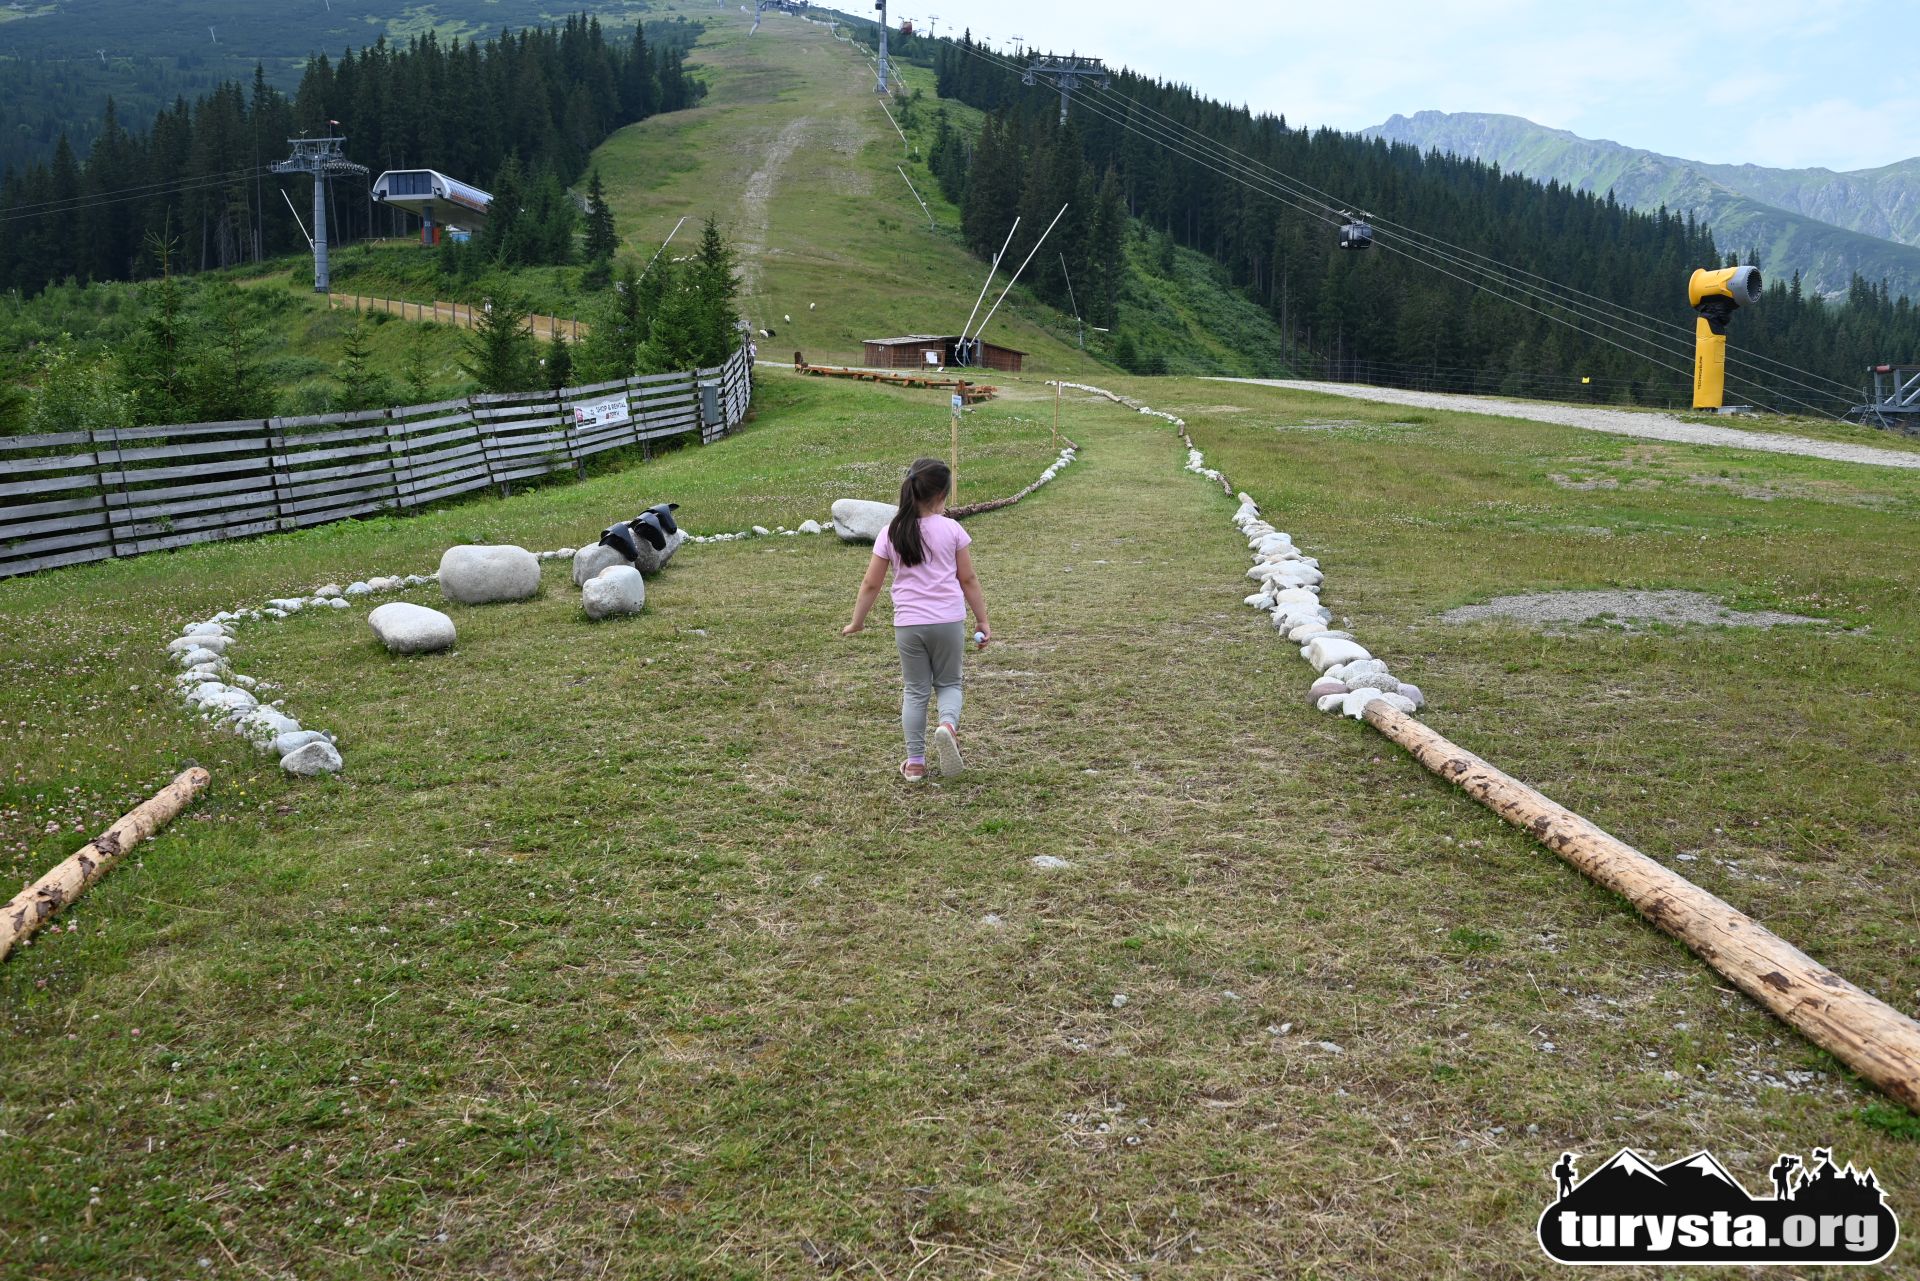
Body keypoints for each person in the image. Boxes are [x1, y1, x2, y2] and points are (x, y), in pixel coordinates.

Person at [842, 458, 991, 781]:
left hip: (908, 624)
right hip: (948, 620)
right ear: (941, 495)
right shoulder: (952, 529)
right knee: (949, 682)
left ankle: (915, 763)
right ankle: (947, 725)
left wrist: (857, 622)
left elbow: (871, 583)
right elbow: (969, 579)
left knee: (915, 690)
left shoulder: (891, 532)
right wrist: (982, 620)